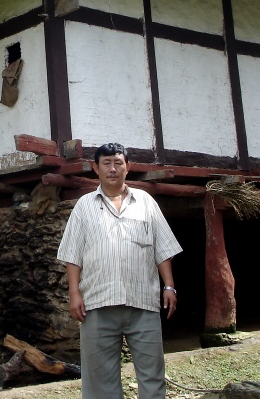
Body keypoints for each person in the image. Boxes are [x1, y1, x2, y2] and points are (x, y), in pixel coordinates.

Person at [57, 142, 182, 398]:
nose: (112, 169)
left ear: (128, 167)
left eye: (118, 163)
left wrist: (169, 286)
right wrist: (74, 294)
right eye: (106, 163)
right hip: (98, 303)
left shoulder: (145, 202)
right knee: (99, 379)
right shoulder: (84, 206)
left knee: (152, 374)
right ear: (96, 168)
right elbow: (73, 255)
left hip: (143, 302)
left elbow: (162, 249)